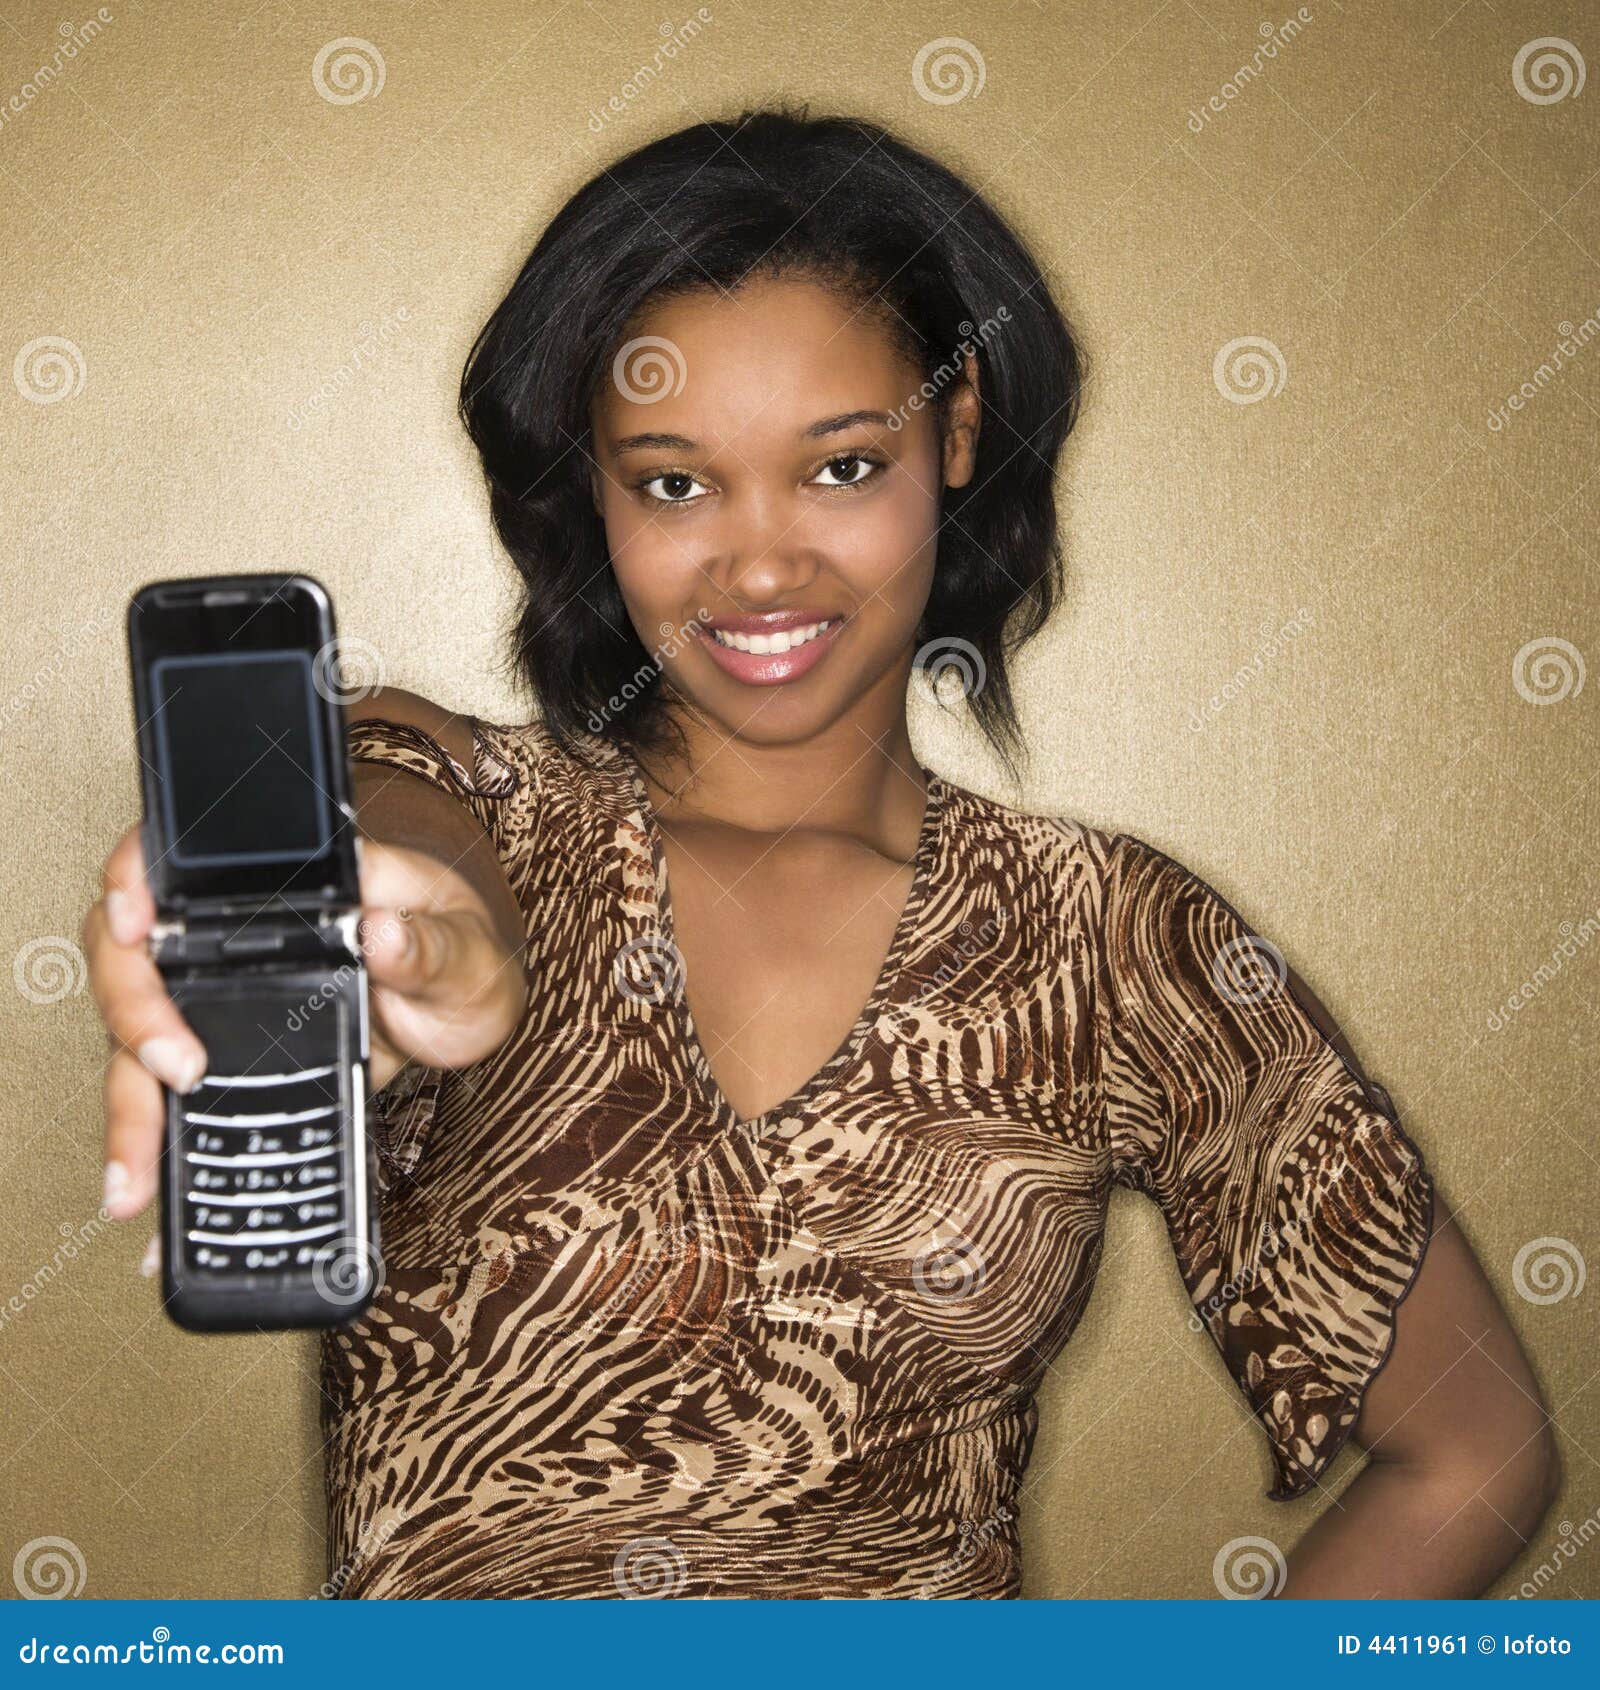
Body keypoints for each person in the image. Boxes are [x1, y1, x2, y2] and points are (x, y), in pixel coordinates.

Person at [84, 106, 1558, 1600]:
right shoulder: (481, 806)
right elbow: (390, 819)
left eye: (842, 466)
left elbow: (1476, 1449)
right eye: (674, 482)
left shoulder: (1106, 935)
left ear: (955, 429)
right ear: (593, 484)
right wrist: (395, 935)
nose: (763, 562)